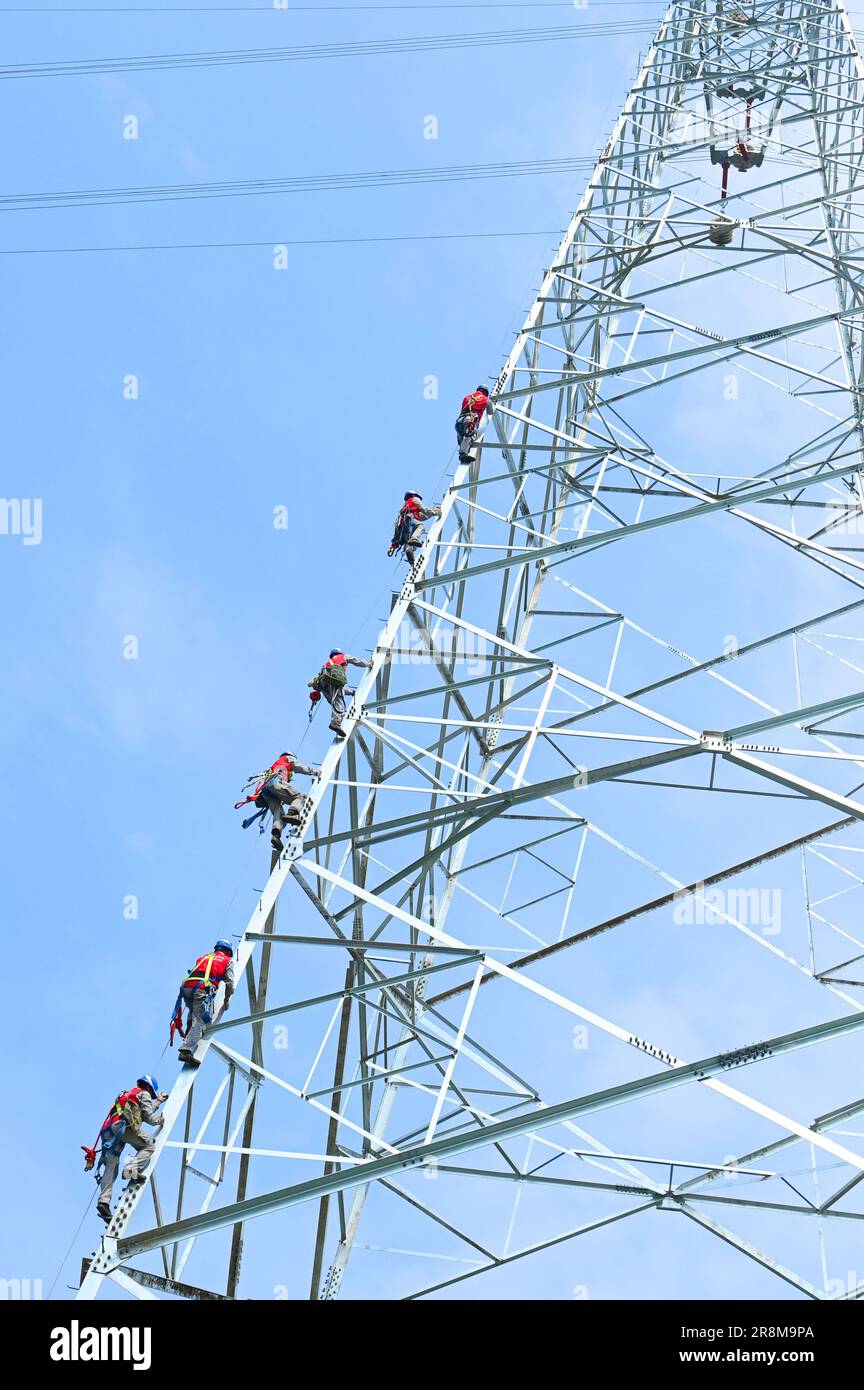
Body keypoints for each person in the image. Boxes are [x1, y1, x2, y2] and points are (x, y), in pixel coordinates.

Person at [85, 1075, 166, 1224]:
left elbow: (141, 1111)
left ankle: (103, 1202)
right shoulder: (145, 1094)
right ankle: (131, 1169)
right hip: (124, 1128)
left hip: (111, 1130)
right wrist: (159, 1120)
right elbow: (148, 1116)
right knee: (148, 1145)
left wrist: (159, 1101)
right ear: (148, 1087)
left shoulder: (128, 1094)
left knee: (111, 1165)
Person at [174, 940, 236, 1066]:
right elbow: (230, 983)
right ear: (228, 952)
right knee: (200, 1019)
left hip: (187, 987)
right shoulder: (227, 961)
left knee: (193, 1014)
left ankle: (188, 1037)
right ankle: (186, 1049)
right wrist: (226, 1000)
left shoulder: (204, 957)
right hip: (202, 988)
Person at [309, 648, 372, 738]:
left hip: (323, 685)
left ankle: (339, 719)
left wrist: (351, 693)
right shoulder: (343, 657)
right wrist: (369, 663)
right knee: (339, 703)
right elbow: (356, 661)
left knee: (336, 702)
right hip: (332, 682)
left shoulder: (326, 665)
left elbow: (340, 691)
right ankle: (335, 723)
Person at [388, 491, 441, 567]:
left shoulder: (404, 510)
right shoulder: (414, 499)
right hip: (410, 521)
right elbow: (425, 510)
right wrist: (435, 512)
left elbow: (423, 516)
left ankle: (409, 552)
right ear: (414, 495)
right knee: (420, 527)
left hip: (403, 529)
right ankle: (414, 539)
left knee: (410, 544)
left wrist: (393, 546)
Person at [455, 384, 492, 462]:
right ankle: (463, 455)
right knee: (470, 436)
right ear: (486, 393)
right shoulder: (486, 399)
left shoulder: (467, 397)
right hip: (470, 419)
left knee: (462, 435)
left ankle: (462, 444)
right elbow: (490, 412)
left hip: (459, 420)